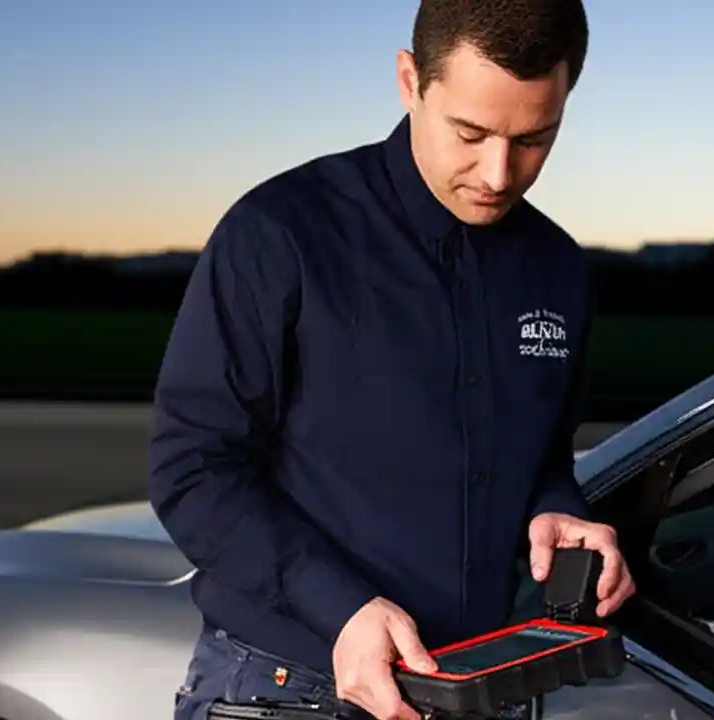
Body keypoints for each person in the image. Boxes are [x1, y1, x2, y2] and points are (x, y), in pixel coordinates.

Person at [148, 2, 635, 718]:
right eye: (470, 133)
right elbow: (191, 470)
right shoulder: (279, 234)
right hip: (291, 687)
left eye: (534, 138)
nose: (498, 173)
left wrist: (560, 511)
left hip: (480, 688)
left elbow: (544, 456)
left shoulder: (558, 268)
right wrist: (341, 609)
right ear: (410, 82)